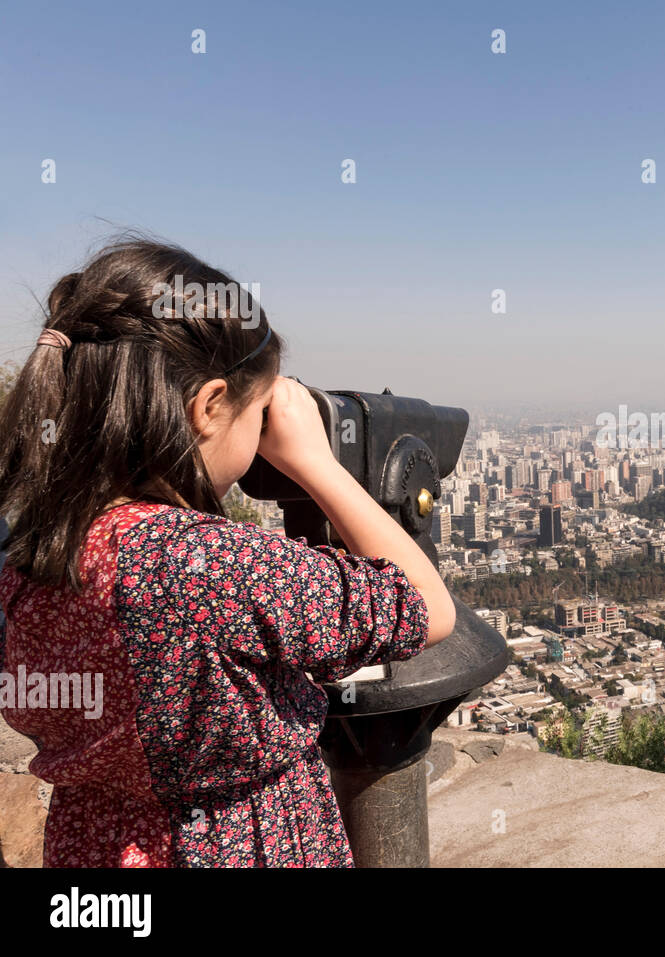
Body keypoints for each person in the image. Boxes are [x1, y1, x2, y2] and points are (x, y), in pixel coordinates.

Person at [0, 236, 457, 867]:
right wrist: (316, 463)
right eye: (260, 413)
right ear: (209, 405)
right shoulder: (209, 565)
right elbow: (428, 608)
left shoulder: (25, 554)